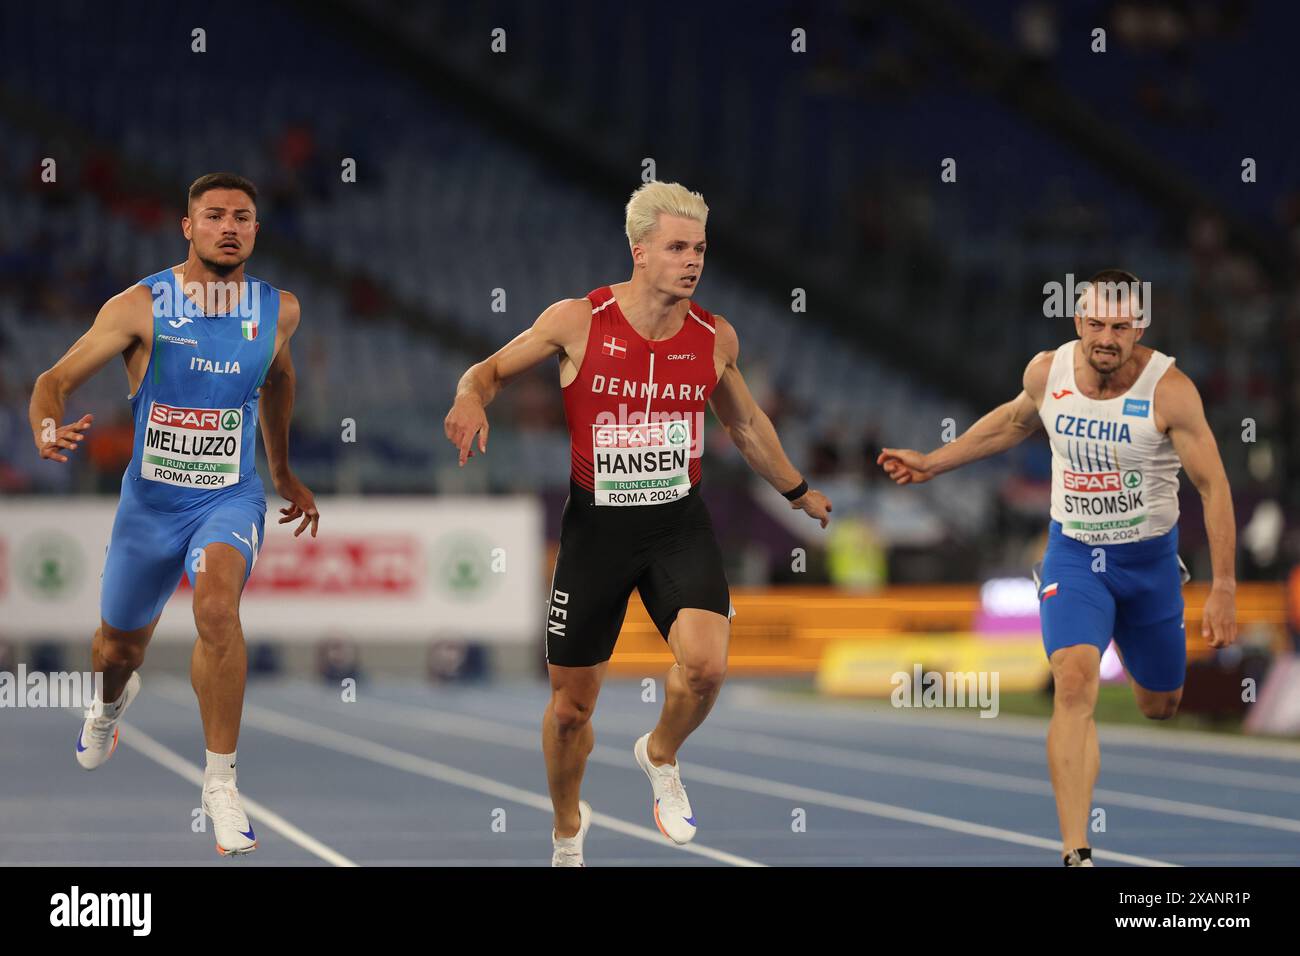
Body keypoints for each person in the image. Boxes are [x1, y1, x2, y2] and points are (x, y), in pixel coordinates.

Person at [444, 181, 831, 866]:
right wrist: (470, 398)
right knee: (570, 712)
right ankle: (567, 829)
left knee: (707, 669)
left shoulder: (714, 338)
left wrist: (796, 489)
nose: (692, 261)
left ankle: (660, 753)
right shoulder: (579, 320)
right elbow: (489, 371)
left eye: (701, 249)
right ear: (640, 251)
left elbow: (743, 422)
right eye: (678, 247)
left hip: (677, 523)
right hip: (597, 531)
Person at [877, 270, 1238, 866]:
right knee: (1074, 683)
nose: (1106, 337)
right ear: (1077, 321)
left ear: (1139, 328)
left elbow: (1214, 486)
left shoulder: (1170, 391)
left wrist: (1224, 585)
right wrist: (933, 463)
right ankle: (1076, 853)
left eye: (1120, 327)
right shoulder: (1048, 372)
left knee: (1161, 703)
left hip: (1148, 564)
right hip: (1074, 556)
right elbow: (1015, 421)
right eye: (1096, 323)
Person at [28, 172, 319, 857]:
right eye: (213, 215)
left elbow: (279, 377)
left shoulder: (279, 311)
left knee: (217, 609)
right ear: (186, 227)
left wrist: (280, 472)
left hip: (228, 497)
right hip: (150, 507)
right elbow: (53, 382)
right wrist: (46, 428)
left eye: (242, 217)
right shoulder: (139, 308)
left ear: (255, 230)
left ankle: (220, 782)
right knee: (115, 652)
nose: (228, 227)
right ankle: (107, 707)